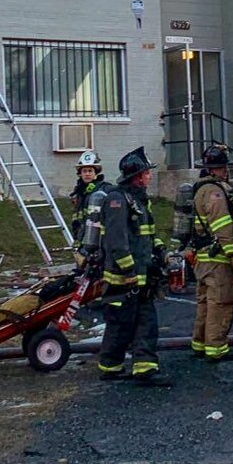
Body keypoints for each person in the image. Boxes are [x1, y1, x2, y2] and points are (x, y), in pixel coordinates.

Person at [83, 147, 170, 386]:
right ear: (137, 175)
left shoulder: (140, 201)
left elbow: (147, 234)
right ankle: (110, 367)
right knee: (120, 324)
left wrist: (160, 250)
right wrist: (129, 271)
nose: (150, 177)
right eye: (147, 173)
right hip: (123, 278)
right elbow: (116, 241)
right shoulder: (117, 200)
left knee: (145, 321)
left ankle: (144, 369)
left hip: (142, 276)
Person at [190, 145, 233, 362]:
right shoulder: (215, 191)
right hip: (217, 256)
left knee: (205, 302)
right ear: (217, 169)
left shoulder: (199, 189)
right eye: (223, 168)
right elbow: (222, 224)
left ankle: (200, 343)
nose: (226, 172)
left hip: (203, 256)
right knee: (220, 302)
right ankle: (216, 348)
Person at [68, 150, 108, 244]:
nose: (87, 174)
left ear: (96, 173)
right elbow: (76, 219)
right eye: (84, 171)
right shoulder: (79, 191)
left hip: (98, 239)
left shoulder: (103, 189)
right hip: (83, 237)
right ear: (80, 174)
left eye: (90, 171)